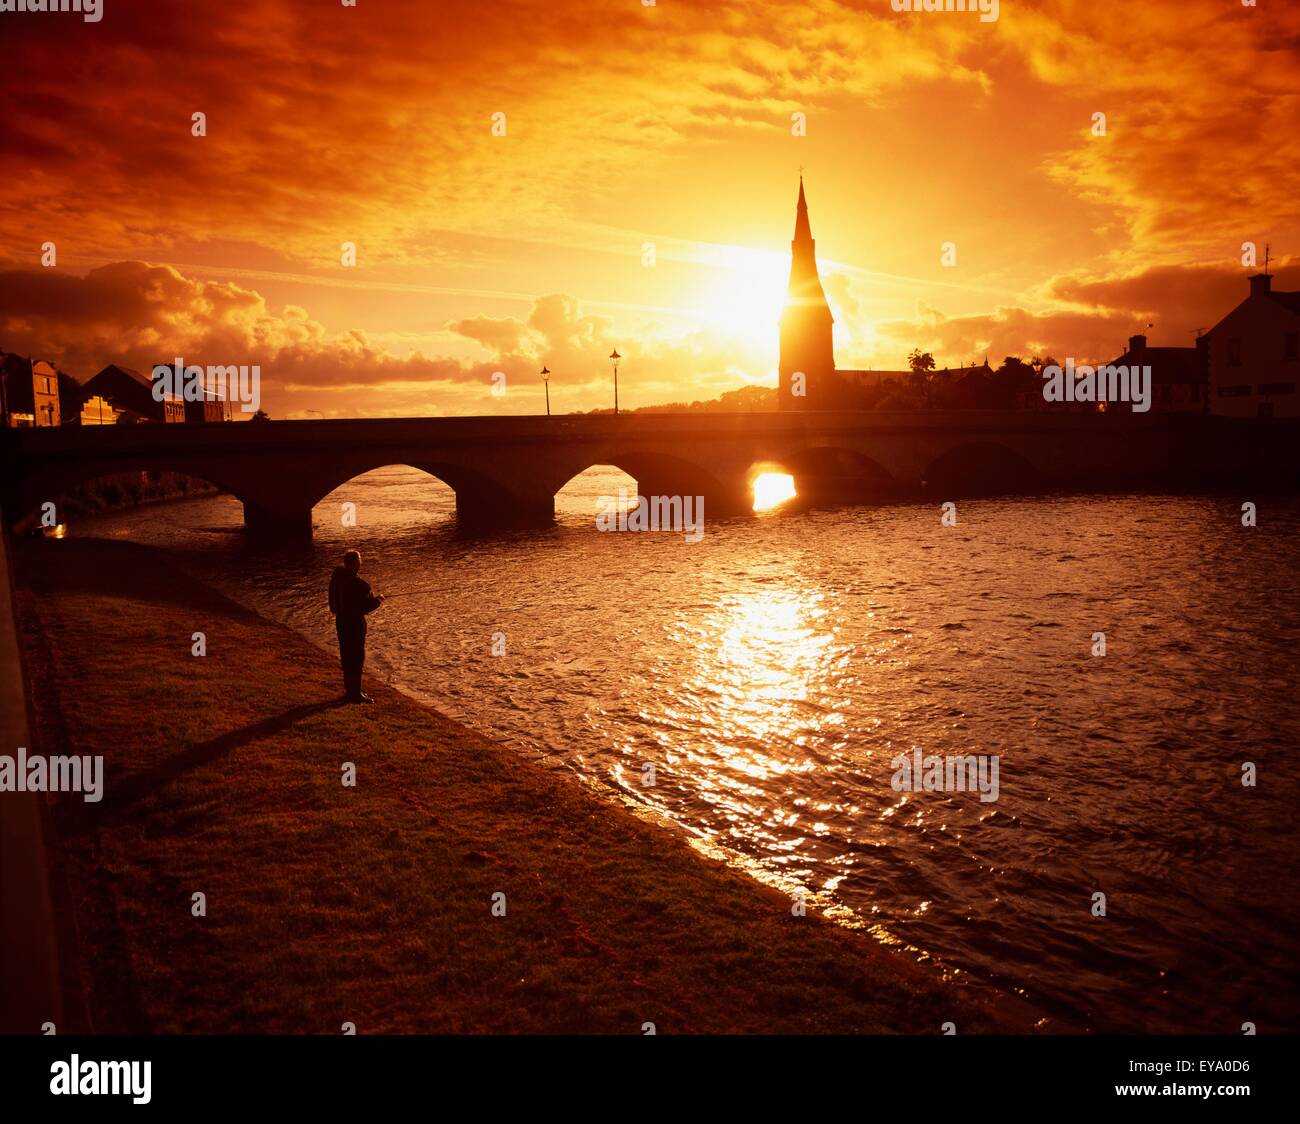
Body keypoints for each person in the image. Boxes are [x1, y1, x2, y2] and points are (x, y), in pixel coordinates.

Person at [327, 549, 384, 704]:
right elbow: (366, 606)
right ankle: (355, 693)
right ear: (355, 563)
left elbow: (332, 605)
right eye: (360, 560)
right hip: (355, 624)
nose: (361, 563)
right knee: (357, 657)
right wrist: (378, 600)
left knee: (346, 656)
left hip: (341, 622)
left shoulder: (335, 579)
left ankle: (350, 690)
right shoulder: (359, 584)